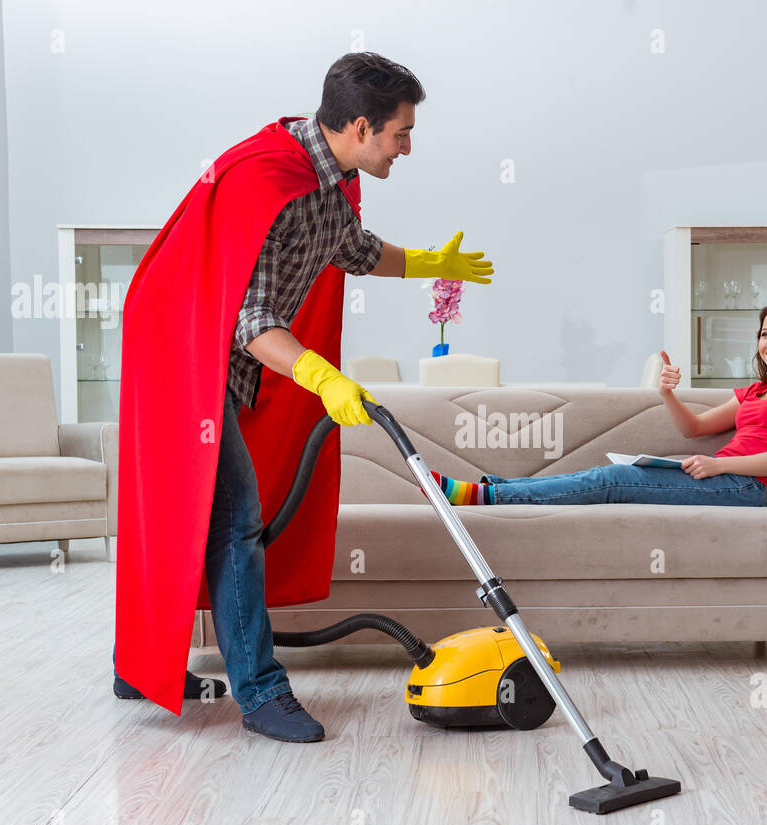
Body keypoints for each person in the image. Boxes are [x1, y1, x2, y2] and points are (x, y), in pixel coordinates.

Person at [112, 52, 493, 744]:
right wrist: (320, 376)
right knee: (235, 520)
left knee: (188, 517)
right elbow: (251, 320)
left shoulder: (333, 177)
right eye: (401, 133)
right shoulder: (269, 180)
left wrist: (429, 264)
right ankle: (260, 691)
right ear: (359, 125)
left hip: (219, 358)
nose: (408, 146)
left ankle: (138, 667)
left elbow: (352, 248)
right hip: (182, 357)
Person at [427, 297, 767, 506]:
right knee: (610, 474)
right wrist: (666, 394)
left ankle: (488, 497)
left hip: (748, 488)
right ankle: (491, 490)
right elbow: (693, 428)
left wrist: (719, 464)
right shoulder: (757, 390)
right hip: (720, 477)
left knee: (611, 480)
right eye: (765, 334)